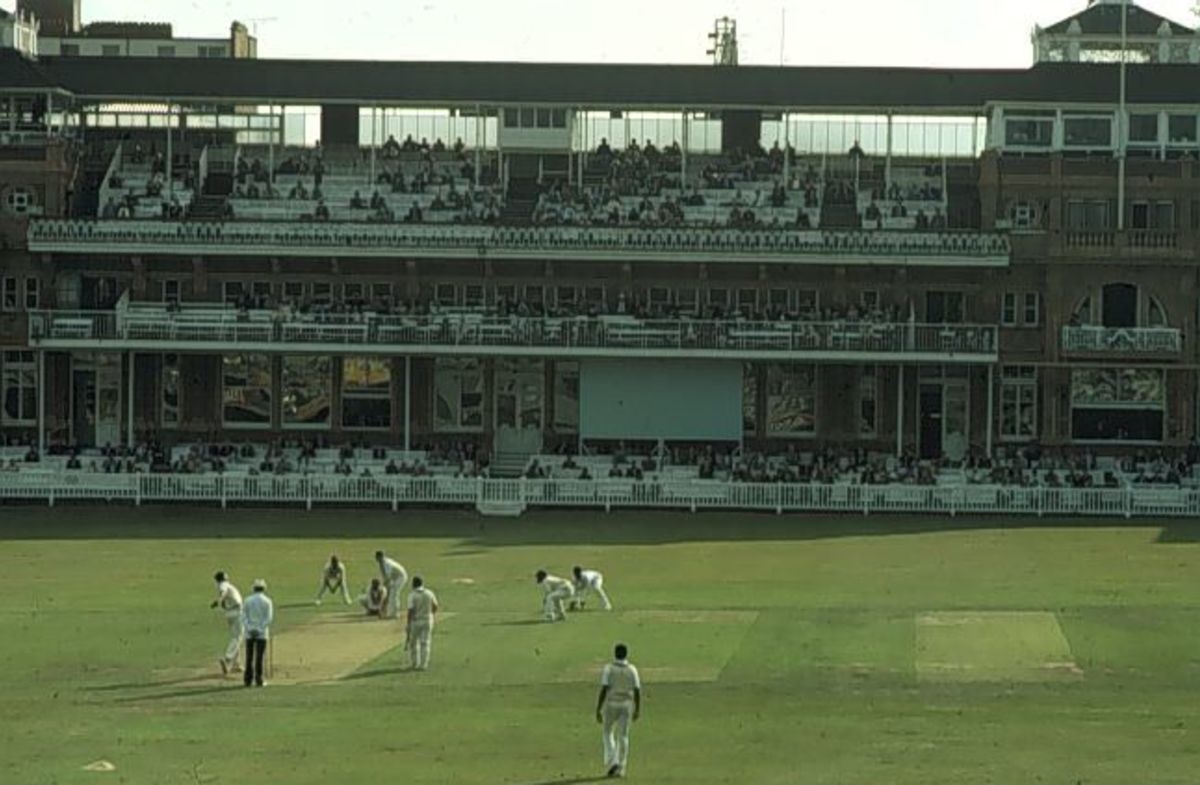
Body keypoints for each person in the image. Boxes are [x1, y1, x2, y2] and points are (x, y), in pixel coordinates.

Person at [596, 643, 642, 778]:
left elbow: (604, 688)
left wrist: (598, 708)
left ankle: (613, 761)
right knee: (623, 736)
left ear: (614, 653)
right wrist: (637, 709)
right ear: (626, 654)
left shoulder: (609, 669)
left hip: (611, 704)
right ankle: (621, 768)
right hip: (627, 705)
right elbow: (637, 690)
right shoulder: (632, 669)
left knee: (607, 732)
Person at [241, 579, 274, 688]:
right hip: (262, 633)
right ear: (264, 589)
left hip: (249, 633)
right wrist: (260, 629)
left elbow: (243, 616)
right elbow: (268, 618)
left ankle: (247, 680)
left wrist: (249, 628)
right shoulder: (267, 601)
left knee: (249, 657)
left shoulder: (247, 600)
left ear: (253, 588)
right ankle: (259, 680)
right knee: (259, 657)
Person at [210, 571, 243, 675]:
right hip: (236, 612)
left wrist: (219, 601)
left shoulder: (223, 585)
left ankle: (236, 664)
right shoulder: (224, 585)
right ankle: (228, 658)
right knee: (237, 637)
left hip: (230, 612)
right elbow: (223, 592)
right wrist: (219, 601)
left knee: (235, 637)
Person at [405, 575, 439, 670]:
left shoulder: (412, 595)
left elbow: (410, 611)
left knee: (413, 643)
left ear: (413, 584)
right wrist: (430, 614)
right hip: (428, 620)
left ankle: (414, 663)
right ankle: (423, 665)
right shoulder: (429, 593)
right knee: (425, 642)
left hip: (416, 621)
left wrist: (408, 624)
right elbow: (435, 606)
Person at [375, 550, 407, 619]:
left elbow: (388, 578)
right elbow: (384, 576)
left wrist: (385, 587)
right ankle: (388, 612)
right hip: (395, 577)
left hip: (401, 577)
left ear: (380, 557)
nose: (376, 559)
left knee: (393, 594)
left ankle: (395, 614)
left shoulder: (387, 563)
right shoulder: (381, 563)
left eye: (377, 557)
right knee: (391, 593)